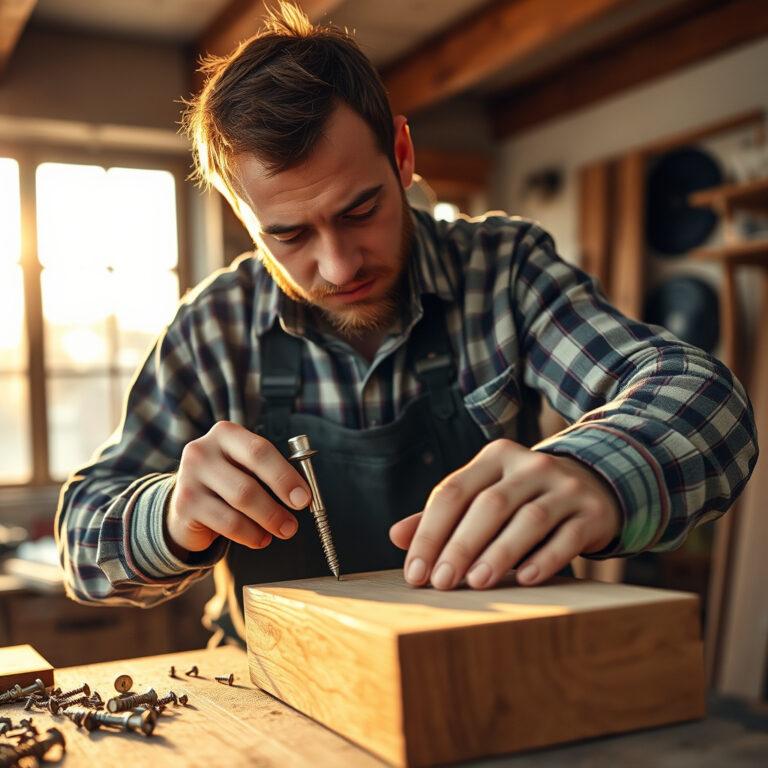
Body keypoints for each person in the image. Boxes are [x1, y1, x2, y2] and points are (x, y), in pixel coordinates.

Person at [55, 2, 758, 644]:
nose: (336, 266)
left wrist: (597, 473)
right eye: (290, 235)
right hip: (277, 688)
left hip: (489, 671)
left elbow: (708, 403)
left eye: (359, 210)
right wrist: (174, 514)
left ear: (402, 155)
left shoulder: (503, 272)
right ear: (244, 216)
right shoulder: (213, 327)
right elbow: (82, 542)